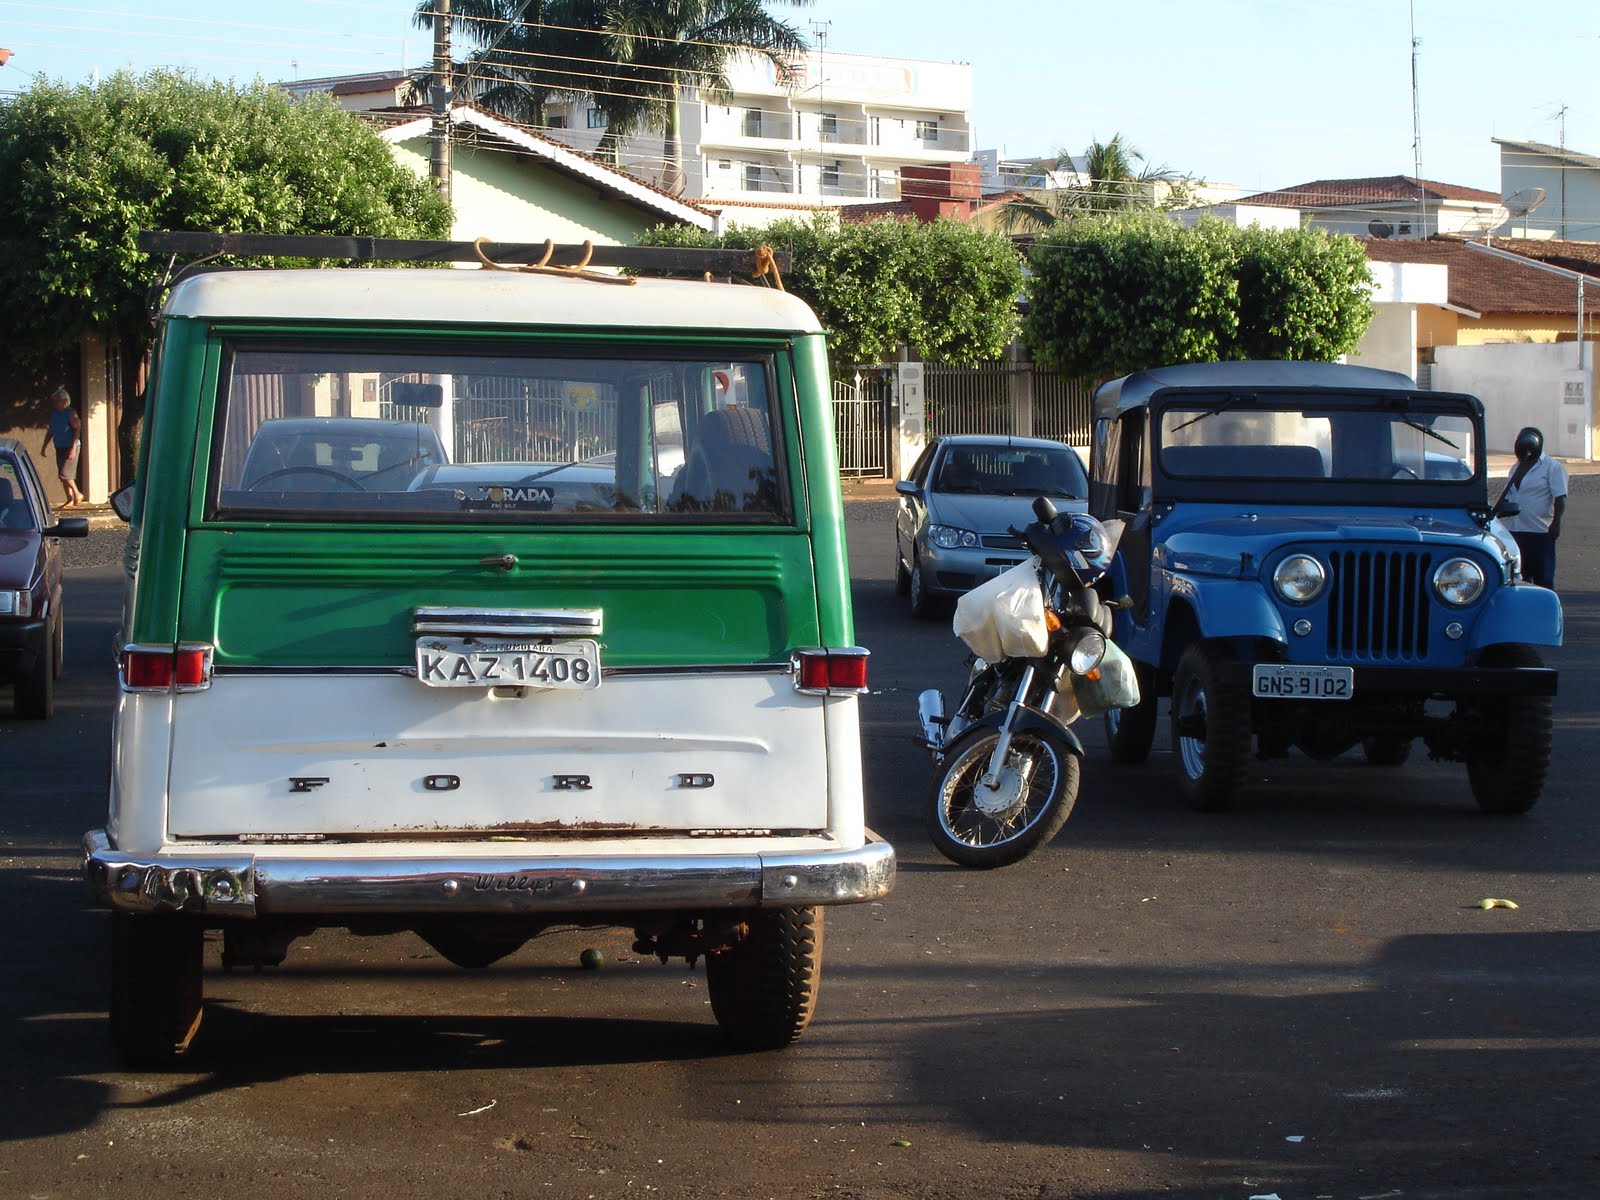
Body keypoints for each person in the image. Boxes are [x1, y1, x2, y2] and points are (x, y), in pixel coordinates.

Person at [1500, 426, 1567, 589]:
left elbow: (1560, 497)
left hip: (1539, 532)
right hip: (1514, 530)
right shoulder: (1516, 467)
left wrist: (1556, 523)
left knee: (1543, 578)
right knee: (1518, 579)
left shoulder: (1552, 467)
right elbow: (1510, 496)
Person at [39, 386, 85, 508]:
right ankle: (69, 499)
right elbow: (51, 431)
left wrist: (73, 448)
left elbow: (77, 429)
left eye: (57, 400)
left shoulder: (70, 413)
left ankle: (77, 493)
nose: (55, 403)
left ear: (64, 401)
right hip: (59, 446)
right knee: (62, 475)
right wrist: (44, 446)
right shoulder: (54, 414)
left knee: (65, 474)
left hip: (70, 446)